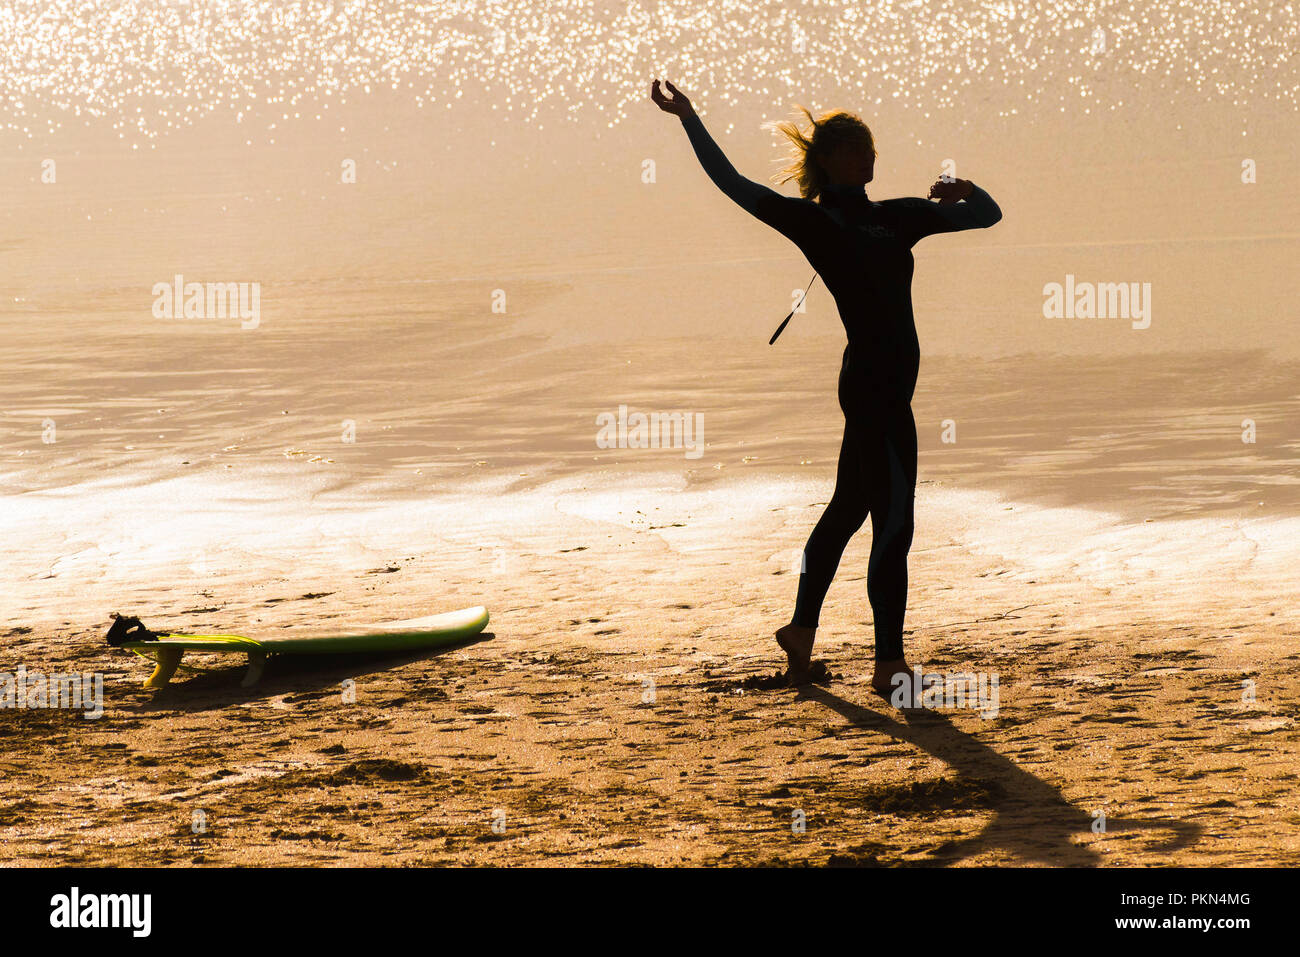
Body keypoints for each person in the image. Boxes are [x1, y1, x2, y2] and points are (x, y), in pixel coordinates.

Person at [651, 79, 1002, 697]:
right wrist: (689, 118)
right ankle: (890, 666)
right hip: (875, 391)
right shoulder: (815, 222)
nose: (873, 160)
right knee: (894, 521)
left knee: (848, 510)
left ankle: (801, 633)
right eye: (863, 150)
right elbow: (734, 185)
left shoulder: (898, 217)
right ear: (836, 159)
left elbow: (986, 217)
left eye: (873, 150)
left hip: (880, 386)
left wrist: (964, 190)